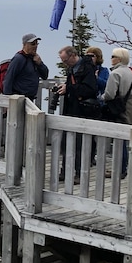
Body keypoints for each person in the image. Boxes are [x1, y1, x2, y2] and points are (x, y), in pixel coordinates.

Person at [55, 46, 100, 182]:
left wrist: (69, 88)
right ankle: (65, 171)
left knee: (79, 144)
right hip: (71, 109)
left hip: (83, 111)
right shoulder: (72, 69)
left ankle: (79, 174)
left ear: (73, 55)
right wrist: (66, 88)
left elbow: (90, 89)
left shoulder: (87, 68)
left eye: (65, 60)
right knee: (67, 142)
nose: (65, 64)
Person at [101, 47, 132, 176]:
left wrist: (100, 98)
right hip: (130, 107)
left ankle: (119, 169)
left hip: (117, 109)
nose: (111, 59)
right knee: (130, 138)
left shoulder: (115, 74)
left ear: (119, 58)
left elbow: (109, 95)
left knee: (119, 139)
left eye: (113, 56)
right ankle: (129, 167)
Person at [1, 33, 49, 103]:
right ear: (24, 45)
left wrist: (40, 64)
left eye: (36, 44)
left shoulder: (35, 58)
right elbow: (8, 79)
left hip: (29, 99)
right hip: (18, 99)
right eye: (32, 44)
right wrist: (7, 100)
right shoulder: (19, 58)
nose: (35, 46)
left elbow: (45, 76)